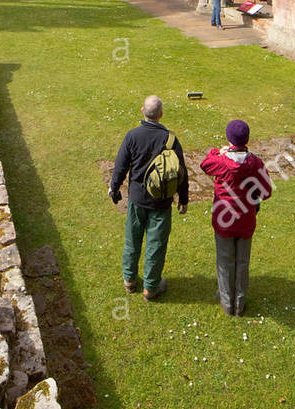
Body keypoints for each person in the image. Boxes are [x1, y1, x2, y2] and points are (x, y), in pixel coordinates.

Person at [109, 95, 188, 301]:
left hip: (136, 199)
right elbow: (181, 172)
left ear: (142, 111)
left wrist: (114, 188)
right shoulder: (170, 139)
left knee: (132, 240)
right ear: (161, 114)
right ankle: (151, 288)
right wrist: (184, 198)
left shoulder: (133, 136)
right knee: (156, 244)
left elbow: (121, 166)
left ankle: (129, 280)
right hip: (161, 202)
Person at [200, 120, 271, 316]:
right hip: (246, 220)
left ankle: (226, 302)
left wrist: (217, 151)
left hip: (224, 220)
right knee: (242, 262)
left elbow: (205, 164)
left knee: (224, 262)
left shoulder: (221, 161)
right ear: (246, 139)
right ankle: (239, 304)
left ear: (229, 139)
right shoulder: (255, 163)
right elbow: (266, 192)